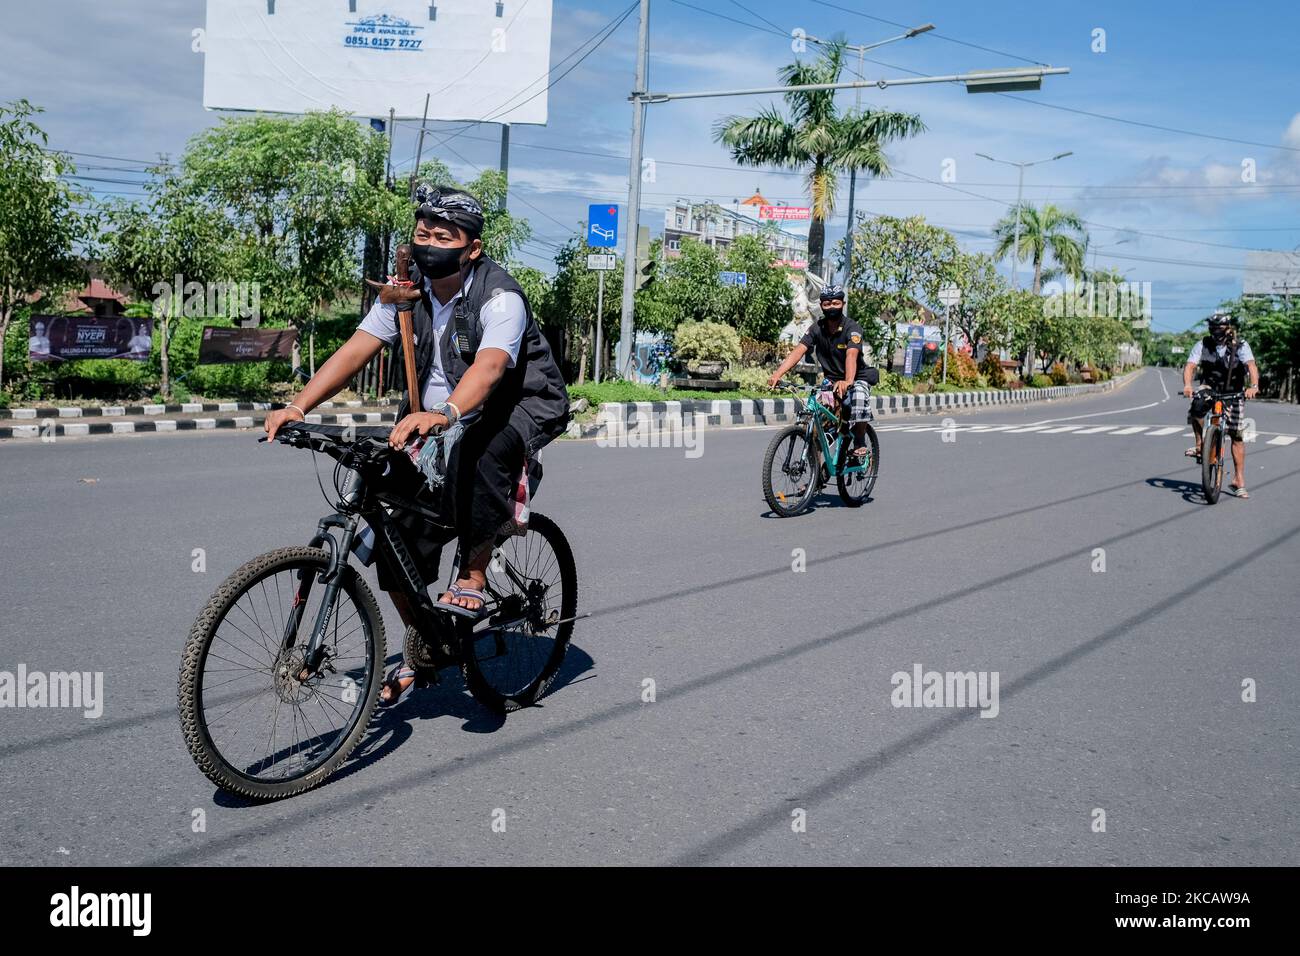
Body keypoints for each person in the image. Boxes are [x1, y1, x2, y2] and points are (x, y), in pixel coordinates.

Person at [264, 184, 570, 703]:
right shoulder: (406, 294)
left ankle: (473, 576)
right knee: (390, 534)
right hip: (430, 420)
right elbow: (355, 350)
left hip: (508, 408)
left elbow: (491, 367)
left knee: (484, 448)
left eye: (442, 235)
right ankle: (426, 646)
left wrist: (446, 413)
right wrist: (298, 407)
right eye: (422, 232)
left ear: (471, 247)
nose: (428, 241)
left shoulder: (499, 297)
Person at [767, 285, 877, 458]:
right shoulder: (816, 328)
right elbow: (799, 350)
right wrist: (777, 374)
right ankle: (818, 475)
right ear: (821, 305)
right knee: (814, 424)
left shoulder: (852, 328)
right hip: (831, 382)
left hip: (855, 378)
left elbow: (851, 355)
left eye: (835, 303)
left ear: (843, 303)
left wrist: (848, 381)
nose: (831, 307)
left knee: (859, 396)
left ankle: (860, 441)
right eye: (827, 304)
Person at [1182, 311, 1259, 498]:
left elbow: (1251, 366)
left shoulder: (1240, 345)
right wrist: (1187, 385)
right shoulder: (1203, 344)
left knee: (1236, 435)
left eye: (1220, 327)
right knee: (1196, 407)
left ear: (1228, 328)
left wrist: (1253, 386)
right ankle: (1201, 443)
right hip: (1211, 387)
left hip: (1234, 391)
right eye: (1213, 328)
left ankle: (1238, 480)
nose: (1216, 331)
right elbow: (1191, 365)